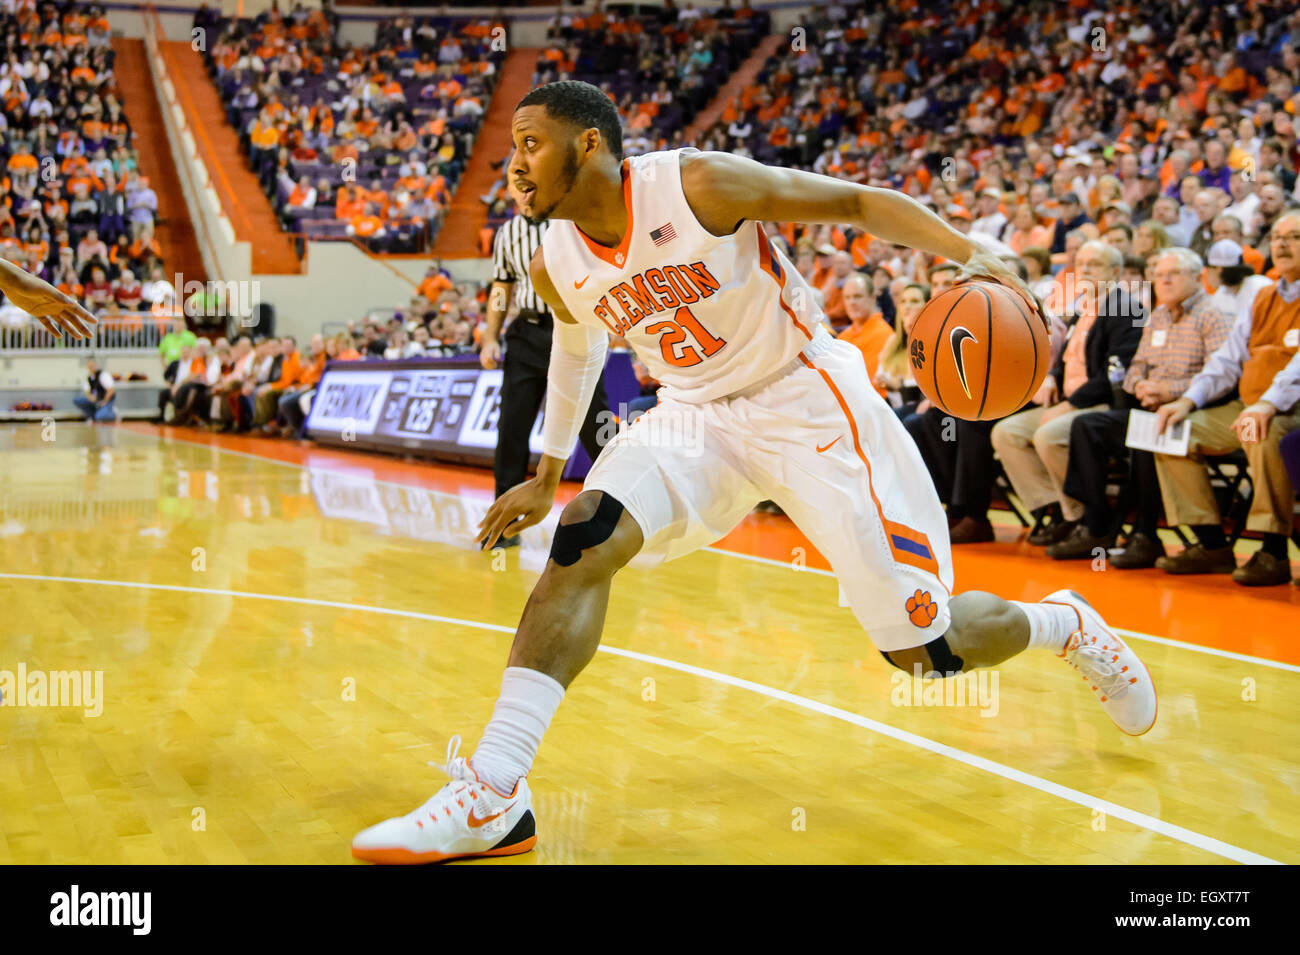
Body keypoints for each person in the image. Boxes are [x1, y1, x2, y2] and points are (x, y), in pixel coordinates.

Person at [350, 80, 1158, 866]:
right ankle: (495, 793)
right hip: (697, 414)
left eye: (530, 144)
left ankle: (1064, 623)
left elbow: (850, 202)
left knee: (927, 650)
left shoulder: (695, 183)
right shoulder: (555, 259)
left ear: (588, 143)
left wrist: (967, 249)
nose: (514, 165)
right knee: (584, 532)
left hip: (807, 399)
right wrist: (547, 471)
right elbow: (577, 346)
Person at [1047, 249, 1234, 565]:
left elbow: (1220, 373)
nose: (1164, 280)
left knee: (1146, 435)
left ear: (1196, 277)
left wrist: (1168, 391)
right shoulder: (1158, 315)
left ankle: (1148, 535)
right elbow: (1135, 367)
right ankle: (1095, 523)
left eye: (1173, 274)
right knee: (1088, 426)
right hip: (1150, 404)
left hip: (1190, 408)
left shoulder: (1211, 315)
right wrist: (1141, 386)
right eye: (1159, 274)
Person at [1152, 211, 1300, 586]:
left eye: (1294, 237)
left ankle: (1274, 550)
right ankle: (1212, 543)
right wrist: (1187, 400)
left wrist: (1267, 405)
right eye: (1279, 237)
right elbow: (1227, 361)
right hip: (1246, 406)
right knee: (1171, 430)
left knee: (1263, 433)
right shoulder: (1264, 296)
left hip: (1289, 410)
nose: (1282, 244)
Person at [481, 211, 611, 548]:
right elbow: (500, 288)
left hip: (574, 327)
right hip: (527, 332)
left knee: (596, 425)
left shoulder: (573, 222)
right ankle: (505, 525)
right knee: (512, 427)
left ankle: (617, 512)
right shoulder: (507, 232)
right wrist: (490, 335)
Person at [75, 356, 117, 422]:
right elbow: (87, 392)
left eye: (92, 365)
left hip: (106, 400)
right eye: (89, 366)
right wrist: (91, 397)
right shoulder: (89, 378)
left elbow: (111, 390)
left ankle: (113, 413)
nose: (91, 367)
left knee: (100, 416)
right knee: (78, 400)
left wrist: (104, 401)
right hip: (96, 400)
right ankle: (92, 414)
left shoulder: (103, 375)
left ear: (96, 365)